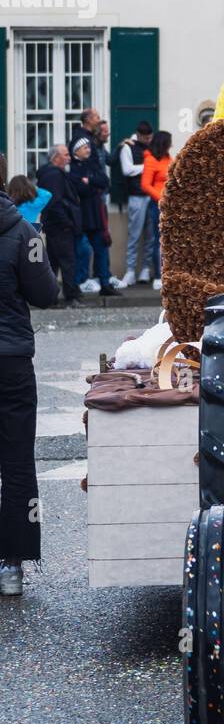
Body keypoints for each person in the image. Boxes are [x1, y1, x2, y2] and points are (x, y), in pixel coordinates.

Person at [0, 153, 60, 595]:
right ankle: (11, 566)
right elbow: (46, 294)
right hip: (11, 359)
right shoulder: (23, 231)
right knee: (18, 461)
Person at [69, 139, 119, 297]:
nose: (88, 150)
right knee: (83, 250)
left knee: (102, 249)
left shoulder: (93, 165)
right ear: (76, 150)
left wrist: (89, 181)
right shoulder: (72, 167)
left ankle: (104, 283)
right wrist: (93, 185)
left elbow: (105, 181)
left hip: (96, 215)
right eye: (85, 147)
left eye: (89, 147)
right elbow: (79, 188)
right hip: (81, 215)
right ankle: (81, 282)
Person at [37, 145, 82, 306]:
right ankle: (70, 297)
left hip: (55, 225)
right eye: (66, 155)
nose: (69, 158)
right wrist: (66, 222)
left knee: (54, 262)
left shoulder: (52, 174)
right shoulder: (54, 175)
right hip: (59, 226)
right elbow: (54, 202)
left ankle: (51, 297)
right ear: (56, 157)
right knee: (66, 262)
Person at [117, 121, 155, 288]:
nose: (149, 141)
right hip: (136, 196)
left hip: (152, 196)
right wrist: (148, 167)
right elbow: (127, 170)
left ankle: (145, 269)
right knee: (134, 235)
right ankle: (130, 271)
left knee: (151, 235)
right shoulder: (128, 147)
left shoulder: (153, 146)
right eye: (146, 138)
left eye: (150, 138)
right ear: (138, 135)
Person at [141, 131, 172, 290]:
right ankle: (158, 276)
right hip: (157, 206)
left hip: (170, 206)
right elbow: (145, 185)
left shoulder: (168, 158)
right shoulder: (151, 159)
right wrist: (161, 199)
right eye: (169, 142)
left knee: (168, 242)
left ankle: (167, 274)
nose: (171, 145)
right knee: (158, 241)